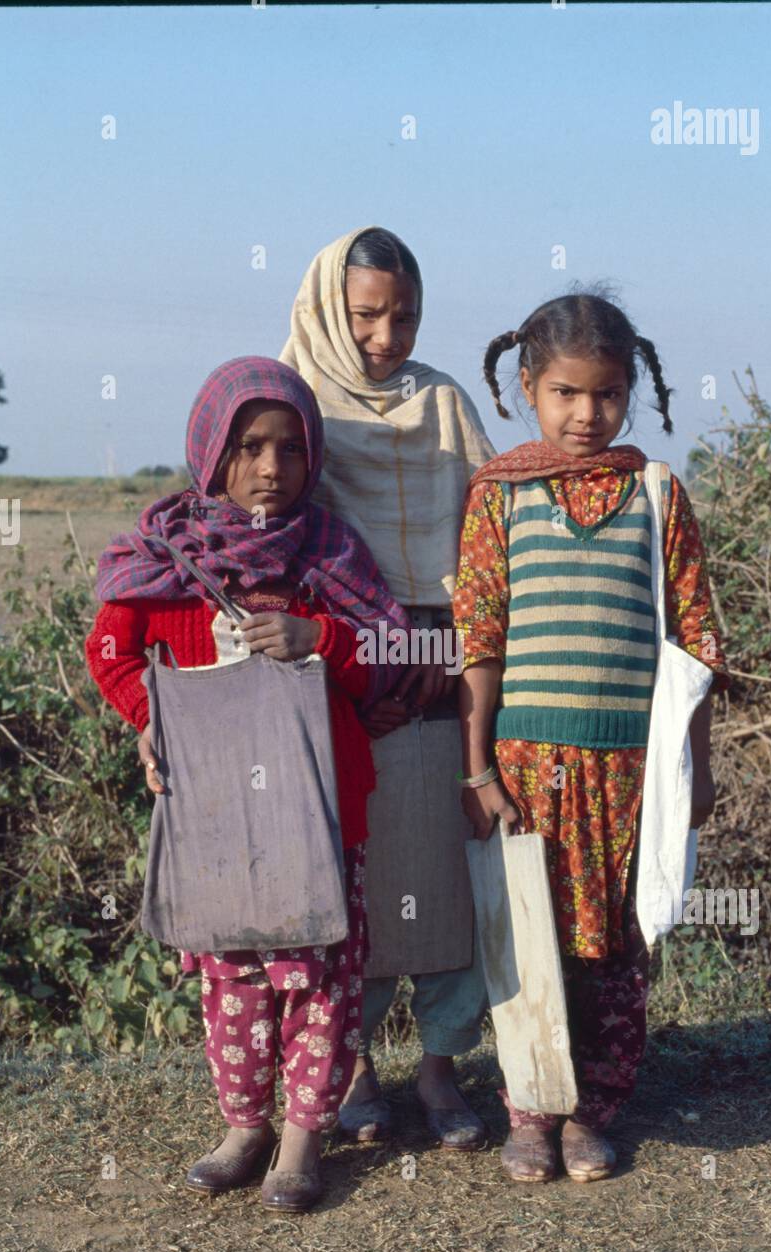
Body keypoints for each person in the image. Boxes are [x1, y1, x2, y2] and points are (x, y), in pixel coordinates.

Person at [85, 357, 407, 1212]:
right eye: (250, 447)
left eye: (291, 448)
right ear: (211, 452)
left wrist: (321, 637)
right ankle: (244, 1127)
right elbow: (109, 652)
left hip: (318, 810)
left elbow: (391, 655)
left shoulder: (328, 554)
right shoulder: (163, 557)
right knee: (230, 974)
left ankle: (301, 1140)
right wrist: (148, 723)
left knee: (321, 973)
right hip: (216, 814)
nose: (272, 468)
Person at [454, 290, 730, 1182]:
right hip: (527, 769)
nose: (586, 414)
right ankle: (531, 1111)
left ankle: (594, 1113)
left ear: (629, 394)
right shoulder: (501, 499)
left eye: (605, 395)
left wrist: (696, 767)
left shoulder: (656, 495)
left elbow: (693, 644)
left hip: (631, 769)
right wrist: (477, 768)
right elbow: (479, 640)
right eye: (566, 393)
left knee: (616, 946)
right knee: (530, 941)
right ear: (528, 388)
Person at [280, 227, 497, 1148]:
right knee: (354, 882)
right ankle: (357, 1067)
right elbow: (268, 534)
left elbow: (487, 521)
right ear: (330, 306)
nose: (385, 335)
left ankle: (441, 1073)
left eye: (403, 315)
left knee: (448, 871)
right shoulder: (291, 403)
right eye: (365, 314)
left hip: (443, 664)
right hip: (337, 670)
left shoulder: (443, 401)